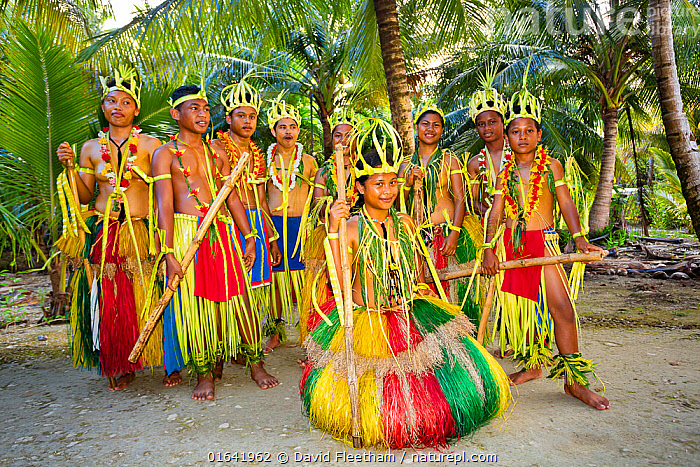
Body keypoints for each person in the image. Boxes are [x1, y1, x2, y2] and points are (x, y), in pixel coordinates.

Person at [300, 119, 510, 448]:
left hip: (407, 310)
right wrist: (332, 228)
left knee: (451, 396)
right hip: (367, 317)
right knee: (382, 404)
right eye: (378, 184)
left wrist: (416, 287)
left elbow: (411, 267)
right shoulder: (351, 228)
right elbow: (337, 278)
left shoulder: (405, 222)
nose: (387, 191)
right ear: (359, 188)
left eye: (393, 183)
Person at [481, 82, 610, 410]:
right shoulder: (504, 174)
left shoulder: (551, 166)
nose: (521, 136)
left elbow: (565, 203)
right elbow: (496, 213)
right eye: (514, 131)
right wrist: (489, 248)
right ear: (507, 137)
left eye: (528, 130)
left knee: (562, 310)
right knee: (525, 313)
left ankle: (574, 382)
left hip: (547, 243)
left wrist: (579, 236)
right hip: (514, 246)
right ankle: (534, 364)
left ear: (539, 134)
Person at [152, 83, 278, 401]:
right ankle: (205, 373)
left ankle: (255, 362)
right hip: (186, 234)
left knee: (242, 300)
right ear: (175, 114)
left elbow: (231, 197)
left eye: (206, 109)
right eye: (194, 108)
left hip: (221, 231)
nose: (203, 114)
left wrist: (249, 236)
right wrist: (168, 253)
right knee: (196, 307)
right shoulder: (164, 154)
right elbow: (164, 206)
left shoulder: (216, 152)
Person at [57, 66, 167, 390]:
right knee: (111, 297)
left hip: (141, 229)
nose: (118, 107)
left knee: (147, 293)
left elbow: (162, 194)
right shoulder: (90, 148)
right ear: (103, 107)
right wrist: (68, 167)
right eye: (111, 101)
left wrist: (162, 233)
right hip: (105, 231)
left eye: (125, 101)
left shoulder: (150, 144)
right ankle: (119, 361)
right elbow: (84, 195)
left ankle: (159, 357)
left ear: (136, 108)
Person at [400, 105, 483, 322]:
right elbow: (398, 203)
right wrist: (408, 183)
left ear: (442, 130)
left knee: (453, 291)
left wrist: (454, 233)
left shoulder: (450, 160)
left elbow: (460, 199)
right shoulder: (405, 165)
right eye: (425, 124)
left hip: (445, 233)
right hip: (416, 237)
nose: (430, 129)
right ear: (416, 128)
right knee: (423, 290)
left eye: (436, 125)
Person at [211, 78, 282, 327]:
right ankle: (229, 344)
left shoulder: (257, 152)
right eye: (241, 115)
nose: (248, 121)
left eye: (252, 116)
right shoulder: (216, 148)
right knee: (230, 287)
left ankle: (245, 344)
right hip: (229, 225)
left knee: (253, 289)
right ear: (228, 119)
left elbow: (261, 199)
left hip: (258, 224)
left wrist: (271, 239)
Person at [464, 71, 513, 355]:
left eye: (492, 121)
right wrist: (490, 209)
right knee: (493, 286)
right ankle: (498, 338)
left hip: (517, 228)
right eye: (481, 124)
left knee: (518, 287)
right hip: (488, 230)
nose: (487, 128)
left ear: (502, 122)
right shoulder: (474, 163)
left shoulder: (520, 154)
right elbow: (473, 202)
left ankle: (520, 341)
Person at [264, 94, 318, 351]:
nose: (288, 131)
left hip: (301, 226)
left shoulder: (308, 161)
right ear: (273, 131)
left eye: (293, 126)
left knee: (304, 280)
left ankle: (307, 332)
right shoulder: (264, 161)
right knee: (275, 282)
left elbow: (318, 197)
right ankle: (276, 332)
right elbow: (260, 196)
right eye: (283, 127)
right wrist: (268, 231)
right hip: (273, 225)